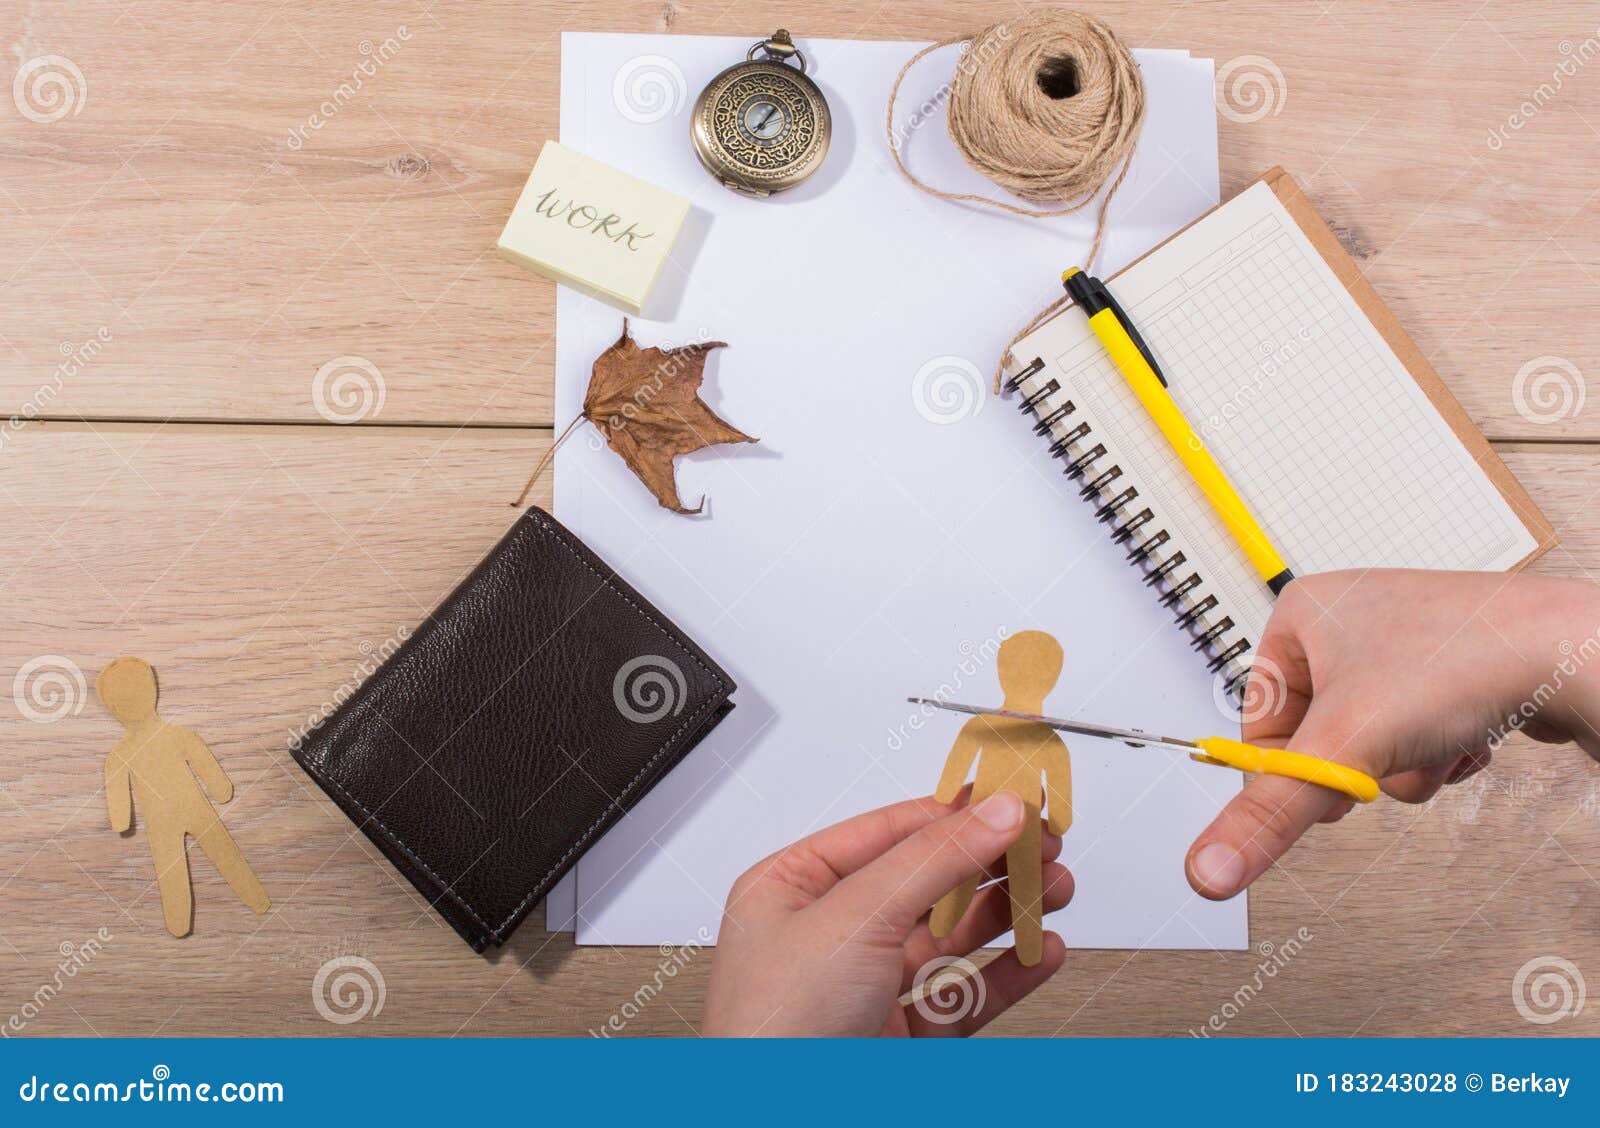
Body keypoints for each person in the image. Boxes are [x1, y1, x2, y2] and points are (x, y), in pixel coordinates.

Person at [703, 570, 1600, 1036]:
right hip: (990, 838)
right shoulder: (1028, 736)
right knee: (971, 904)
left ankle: (993, 921)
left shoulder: (1026, 735)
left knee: (971, 903)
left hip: (981, 837)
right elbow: (1027, 798)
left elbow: (972, 797)